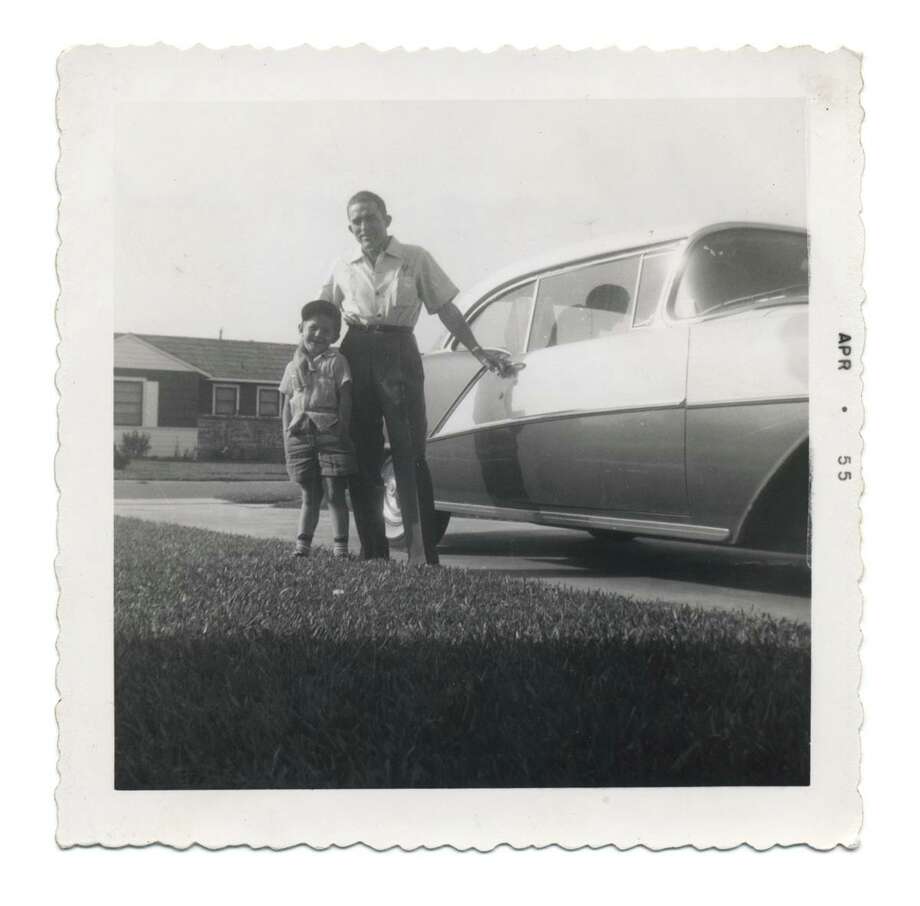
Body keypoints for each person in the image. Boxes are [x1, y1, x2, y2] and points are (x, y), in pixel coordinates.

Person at [320, 190, 508, 566]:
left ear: (387, 220)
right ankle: (373, 551)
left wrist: (477, 349)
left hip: (400, 353)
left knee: (409, 453)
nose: (364, 227)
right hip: (355, 351)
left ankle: (421, 554)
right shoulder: (342, 264)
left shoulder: (415, 258)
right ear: (349, 227)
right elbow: (324, 315)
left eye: (370, 218)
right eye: (356, 221)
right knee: (364, 455)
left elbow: (446, 308)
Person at [279, 299, 357, 558]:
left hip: (330, 431)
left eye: (326, 330)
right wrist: (286, 435)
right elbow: (286, 404)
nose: (319, 335)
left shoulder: (337, 361)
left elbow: (345, 396)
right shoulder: (292, 366)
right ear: (301, 328)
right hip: (300, 433)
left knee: (335, 491)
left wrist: (343, 429)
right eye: (313, 328)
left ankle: (341, 548)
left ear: (335, 334)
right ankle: (302, 546)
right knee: (309, 492)